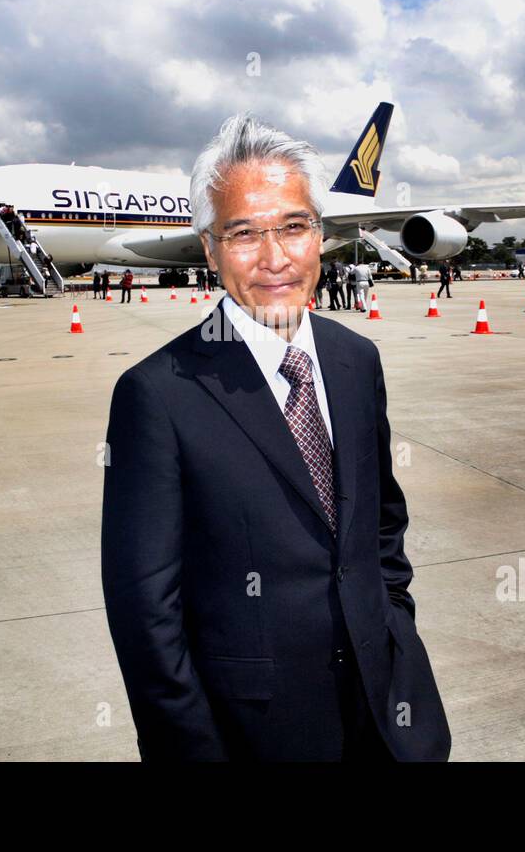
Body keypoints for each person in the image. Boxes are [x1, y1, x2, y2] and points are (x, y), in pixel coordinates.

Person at [101, 111, 451, 762]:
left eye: (294, 226)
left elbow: (380, 524)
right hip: (257, 734)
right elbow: (146, 618)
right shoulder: (156, 395)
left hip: (387, 714)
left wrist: (391, 623)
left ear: (321, 236)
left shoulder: (356, 359)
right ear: (210, 249)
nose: (275, 257)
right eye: (244, 234)